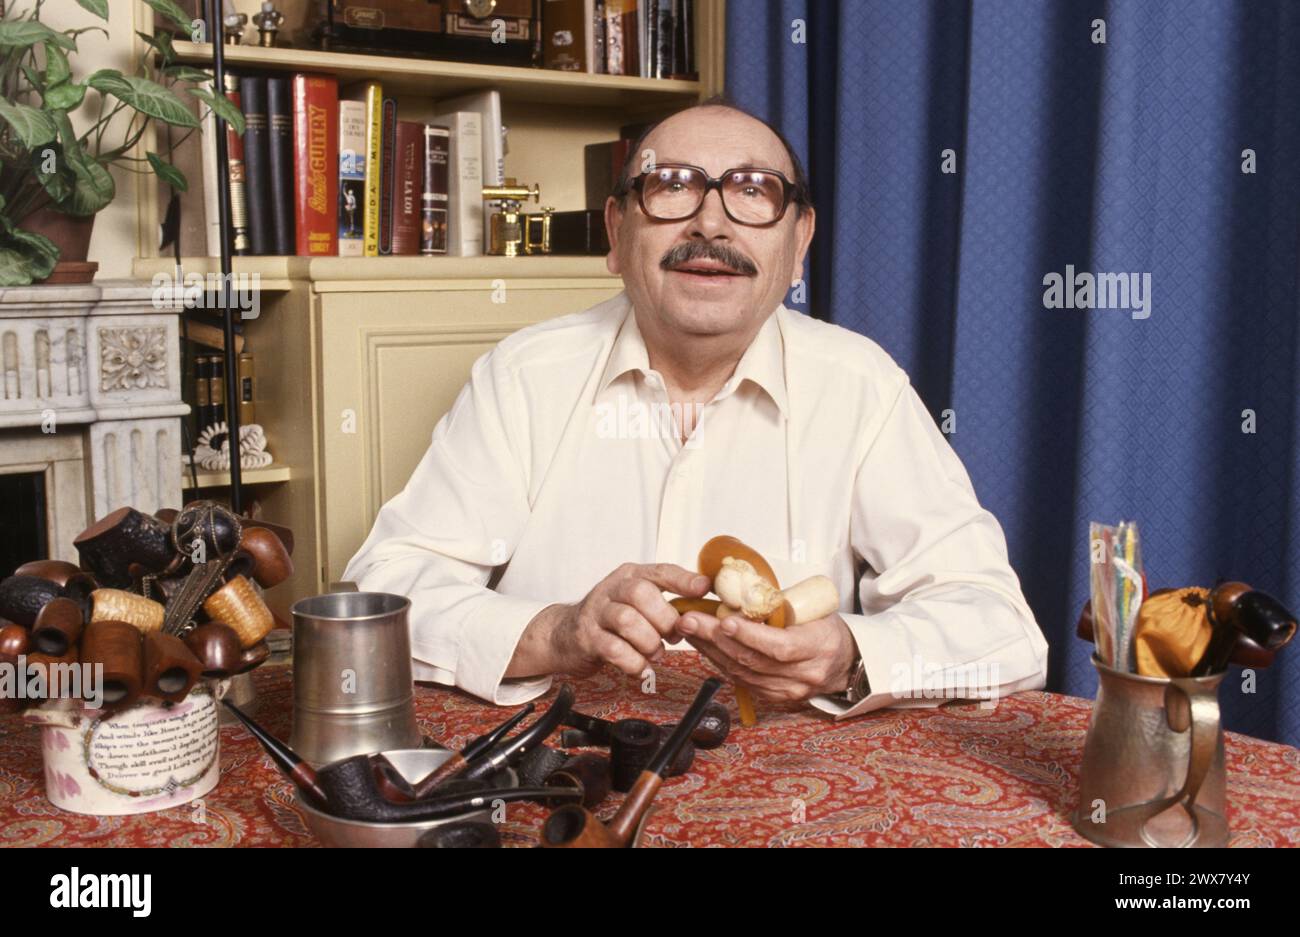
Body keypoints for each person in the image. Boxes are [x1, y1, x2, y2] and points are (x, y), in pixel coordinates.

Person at [343, 99, 1049, 717]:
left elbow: (1004, 632)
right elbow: (378, 601)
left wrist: (851, 655)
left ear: (798, 243)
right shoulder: (523, 377)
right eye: (671, 186)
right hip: (563, 776)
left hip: (792, 793)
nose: (710, 221)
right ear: (616, 234)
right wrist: (557, 633)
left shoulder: (861, 385)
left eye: (753, 191)